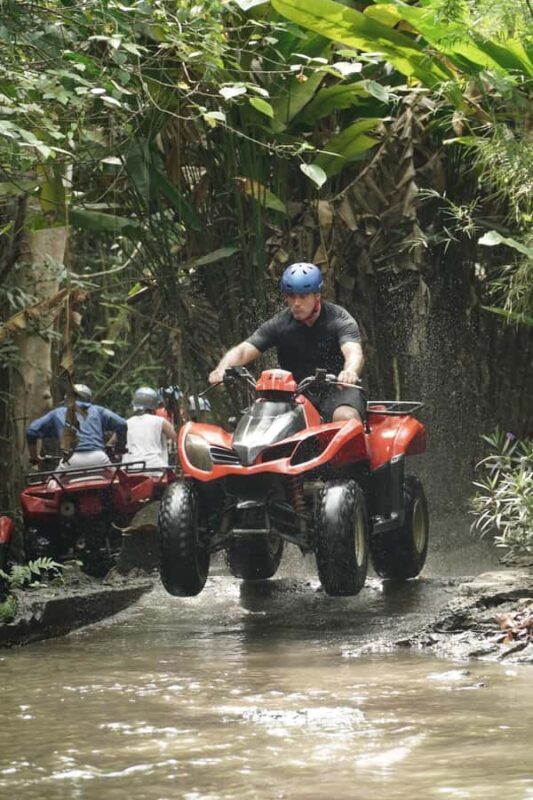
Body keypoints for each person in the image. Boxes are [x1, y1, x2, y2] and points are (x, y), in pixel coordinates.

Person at [208, 262, 365, 422]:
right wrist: (222, 368)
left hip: (338, 390)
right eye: (291, 296)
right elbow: (244, 349)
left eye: (303, 296)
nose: (296, 303)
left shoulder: (339, 319)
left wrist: (350, 371)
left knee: (346, 418)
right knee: (261, 422)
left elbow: (353, 352)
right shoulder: (280, 323)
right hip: (295, 395)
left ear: (317, 296)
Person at [26, 384, 127, 469]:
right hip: (98, 459)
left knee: (52, 485)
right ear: (88, 398)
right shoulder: (98, 410)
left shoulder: (58, 412)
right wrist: (119, 449)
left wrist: (35, 457)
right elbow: (121, 423)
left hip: (70, 460)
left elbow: (31, 431)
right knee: (117, 482)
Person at [126, 386, 177, 468]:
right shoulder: (161, 421)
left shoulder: (127, 423)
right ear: (155, 406)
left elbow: (111, 443)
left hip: (131, 467)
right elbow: (176, 439)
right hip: (155, 466)